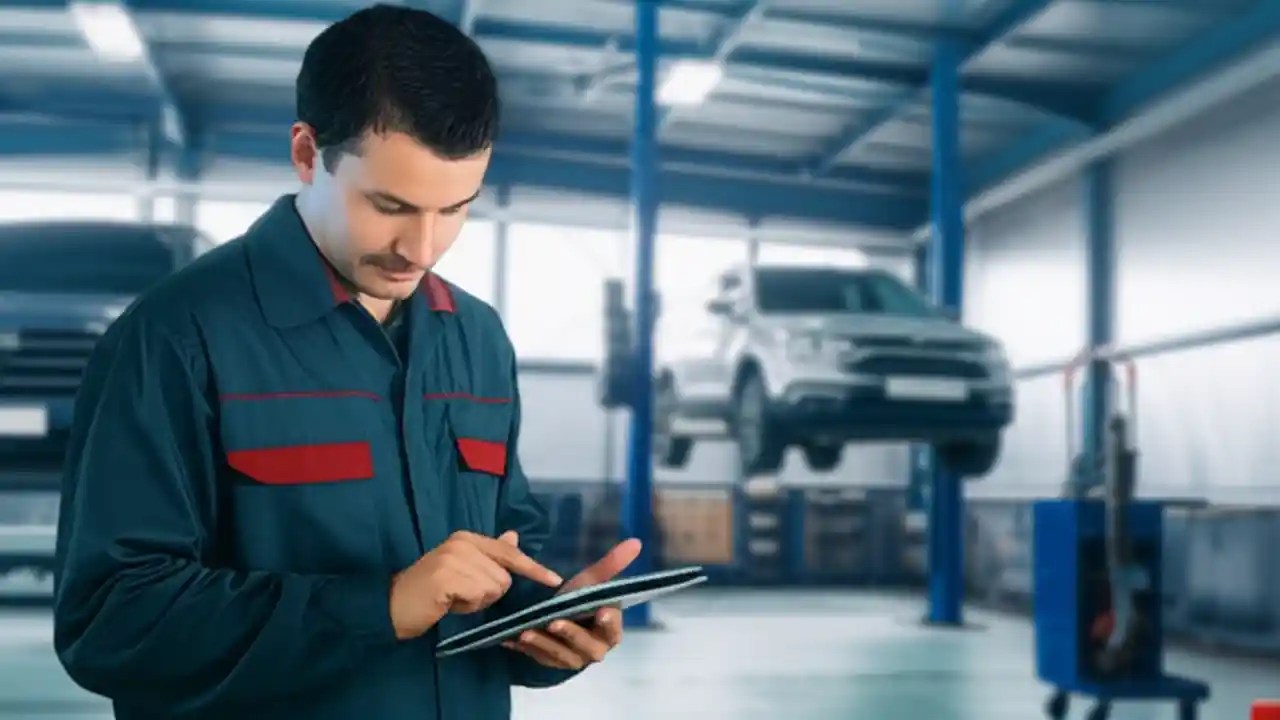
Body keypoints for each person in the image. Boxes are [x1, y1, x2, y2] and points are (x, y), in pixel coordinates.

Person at [51, 5, 640, 719]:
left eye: (455, 209)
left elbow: (506, 549)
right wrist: (382, 606)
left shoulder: (476, 339)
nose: (421, 249)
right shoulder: (174, 338)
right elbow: (110, 621)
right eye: (389, 205)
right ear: (307, 154)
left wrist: (546, 623)